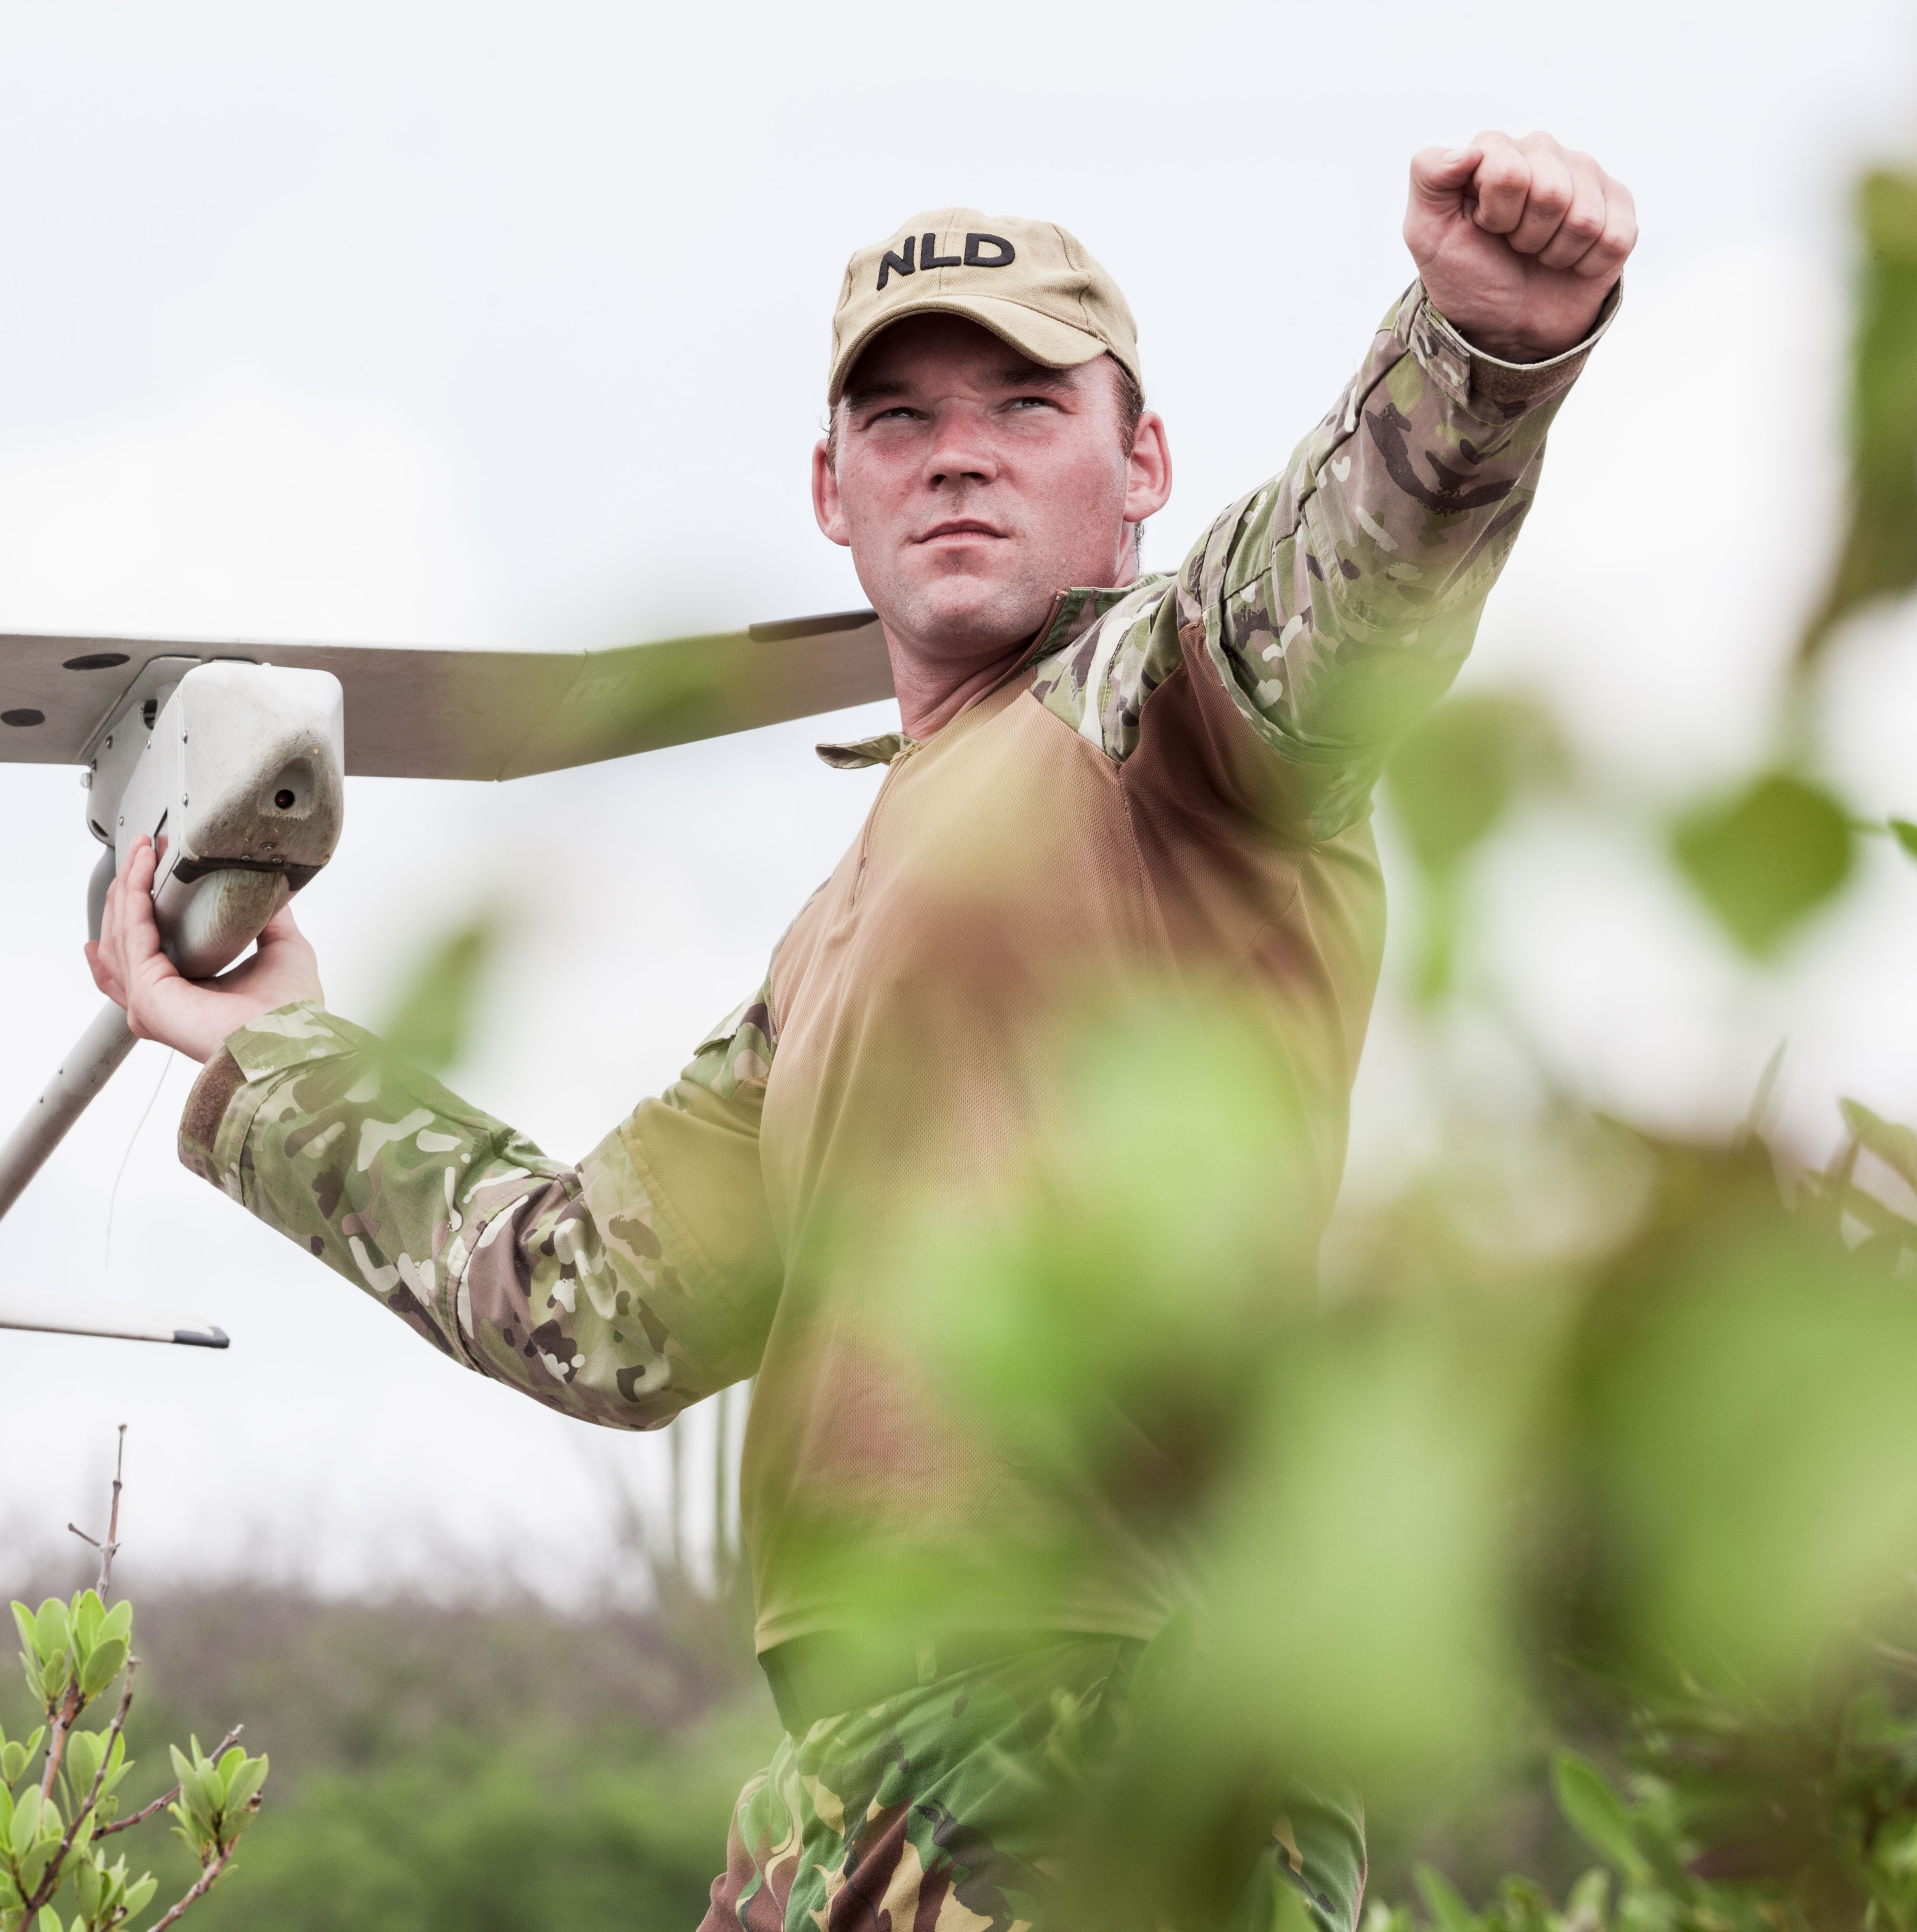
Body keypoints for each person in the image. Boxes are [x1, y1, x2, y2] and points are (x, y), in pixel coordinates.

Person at [88, 130, 1635, 1931]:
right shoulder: (840, 936)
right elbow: (604, 1300)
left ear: (1142, 463)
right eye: (898, 418)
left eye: (1025, 401)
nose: (958, 446)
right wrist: (279, 1059)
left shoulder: (1180, 713)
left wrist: (1483, 355)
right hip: (847, 1779)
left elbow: (1346, 583)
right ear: (833, 493)